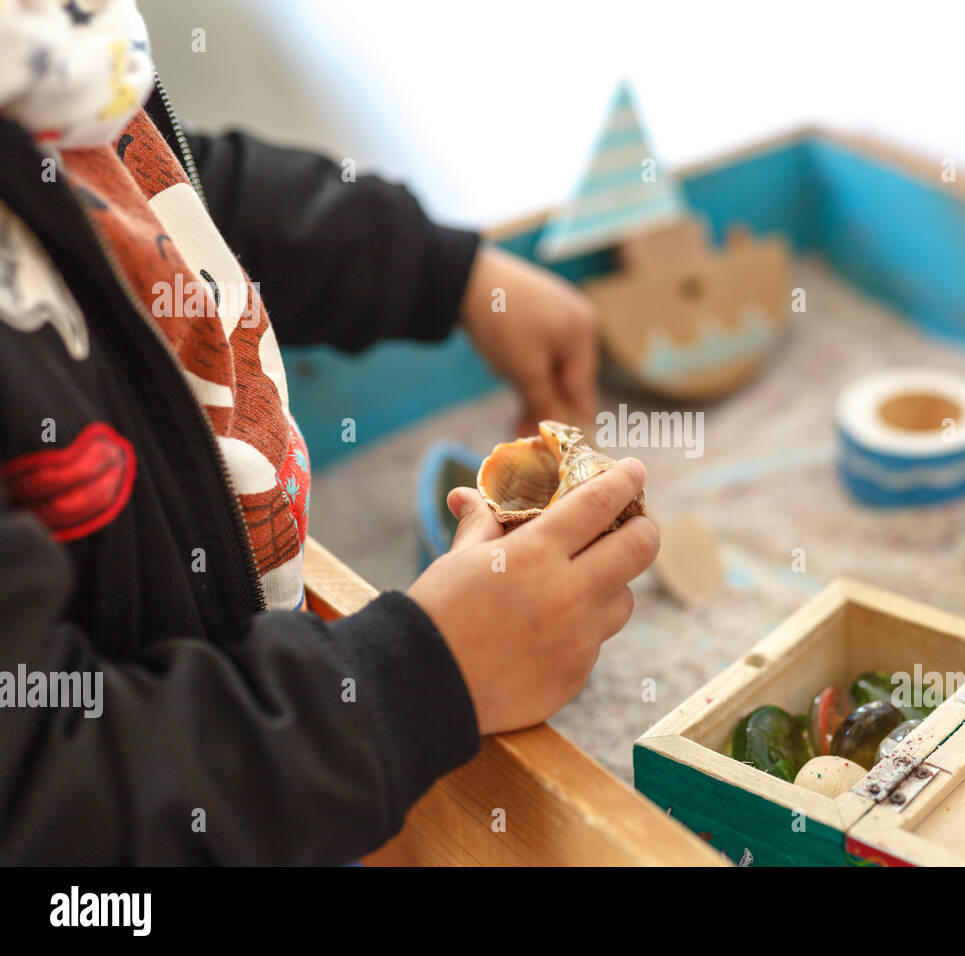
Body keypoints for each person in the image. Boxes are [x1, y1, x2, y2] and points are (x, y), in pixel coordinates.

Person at [0, 0, 657, 864]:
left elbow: (168, 192)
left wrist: (441, 271)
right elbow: (42, 798)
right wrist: (417, 679)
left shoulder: (48, 54)